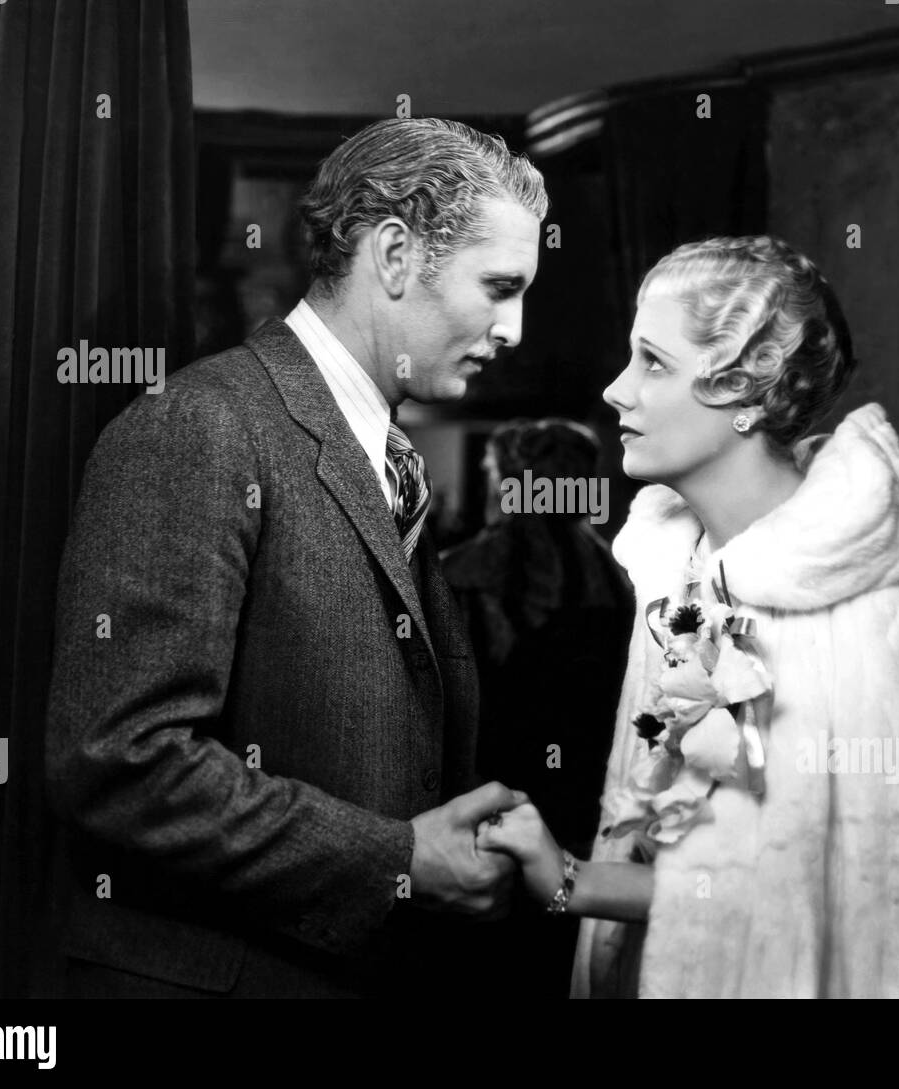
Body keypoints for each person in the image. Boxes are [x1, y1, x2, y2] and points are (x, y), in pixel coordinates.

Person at [44, 118, 546, 997]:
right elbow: (119, 758)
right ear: (395, 254)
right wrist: (398, 858)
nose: (514, 329)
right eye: (499, 286)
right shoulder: (200, 425)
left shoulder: (384, 453)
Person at [477, 235, 899, 998]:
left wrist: (568, 878)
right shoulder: (677, 570)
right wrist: (566, 876)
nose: (616, 390)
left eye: (653, 362)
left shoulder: (869, 600)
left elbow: (846, 909)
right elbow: (685, 856)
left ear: (745, 387)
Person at [440, 418, 635, 994]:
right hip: (586, 809)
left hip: (489, 802)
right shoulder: (620, 572)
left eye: (493, 473)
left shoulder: (463, 573)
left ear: (511, 481)